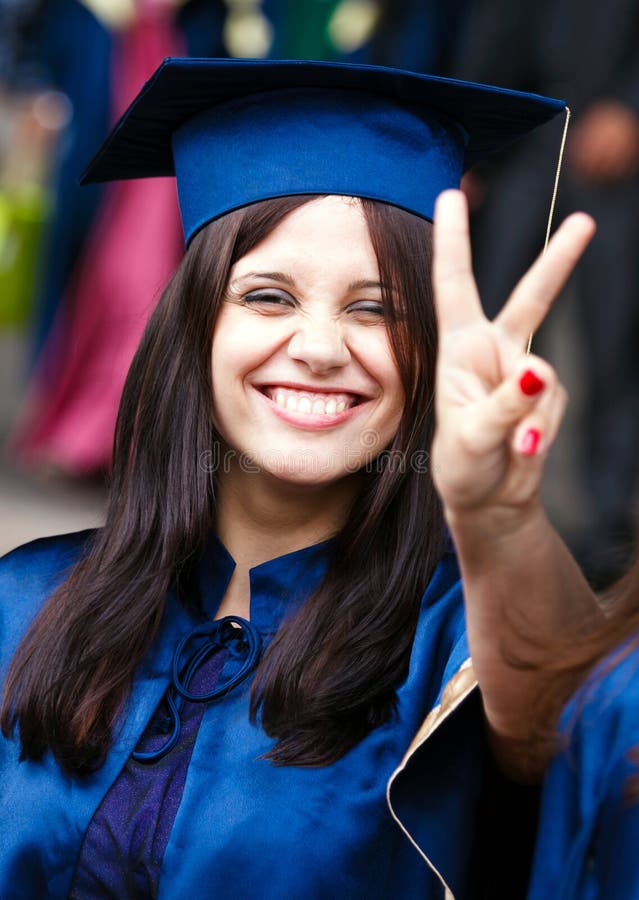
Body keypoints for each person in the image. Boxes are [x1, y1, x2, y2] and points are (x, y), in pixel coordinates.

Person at [0, 58, 597, 898]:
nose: (319, 349)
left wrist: (502, 520)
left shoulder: (460, 644)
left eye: (376, 307)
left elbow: (564, 737)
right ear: (195, 327)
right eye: (269, 296)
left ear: (428, 348)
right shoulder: (25, 601)